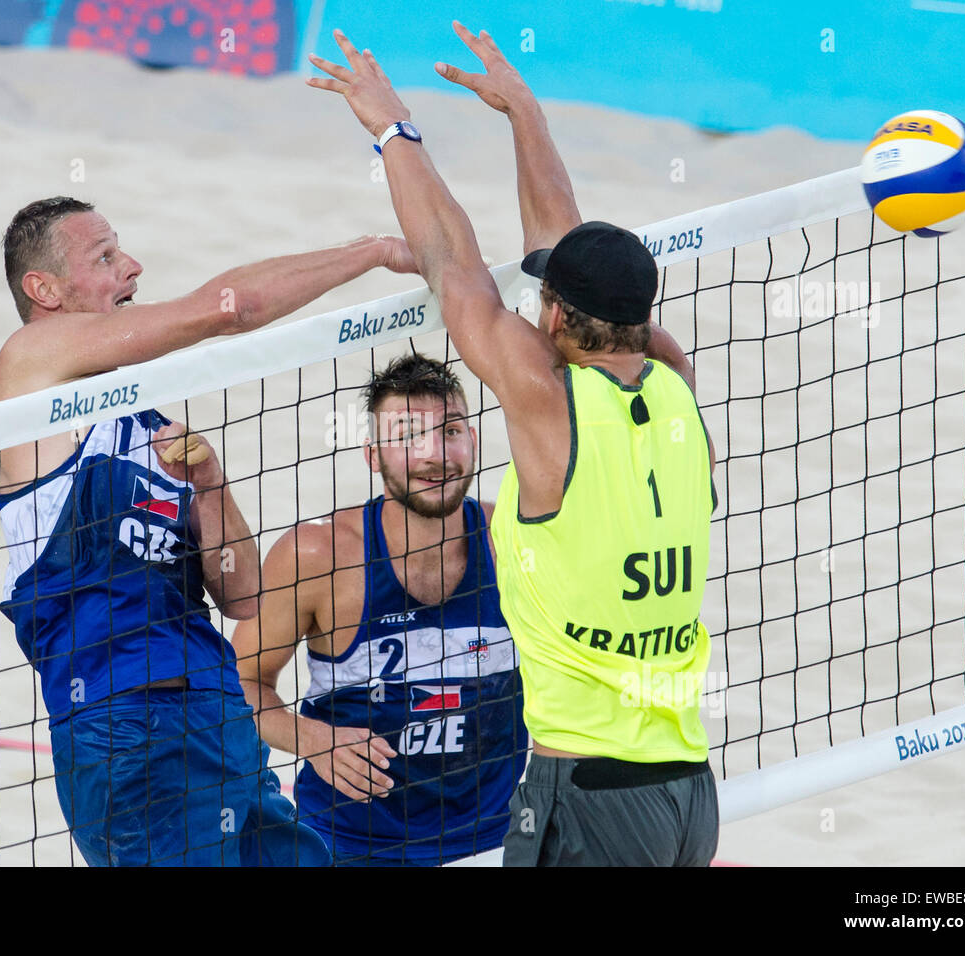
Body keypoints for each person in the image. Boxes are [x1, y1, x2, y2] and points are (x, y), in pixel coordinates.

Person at [307, 24, 719, 866]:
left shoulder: (548, 401)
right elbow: (563, 252)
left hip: (590, 796)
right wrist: (525, 116)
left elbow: (450, 259)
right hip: (688, 792)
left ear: (557, 316)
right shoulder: (676, 381)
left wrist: (394, 129)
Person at [0, 196, 417, 865]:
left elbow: (242, 598)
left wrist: (210, 486)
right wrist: (377, 252)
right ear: (44, 290)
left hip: (218, 718)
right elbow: (227, 307)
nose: (133, 266)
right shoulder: (29, 370)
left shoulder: (150, 428)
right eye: (105, 257)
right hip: (127, 722)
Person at [232, 354, 526, 866]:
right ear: (373, 456)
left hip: (494, 843)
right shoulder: (317, 556)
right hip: (349, 844)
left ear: (473, 440)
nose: (436, 454)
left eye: (451, 430)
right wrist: (312, 738)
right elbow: (235, 684)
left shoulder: (516, 543)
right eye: (410, 435)